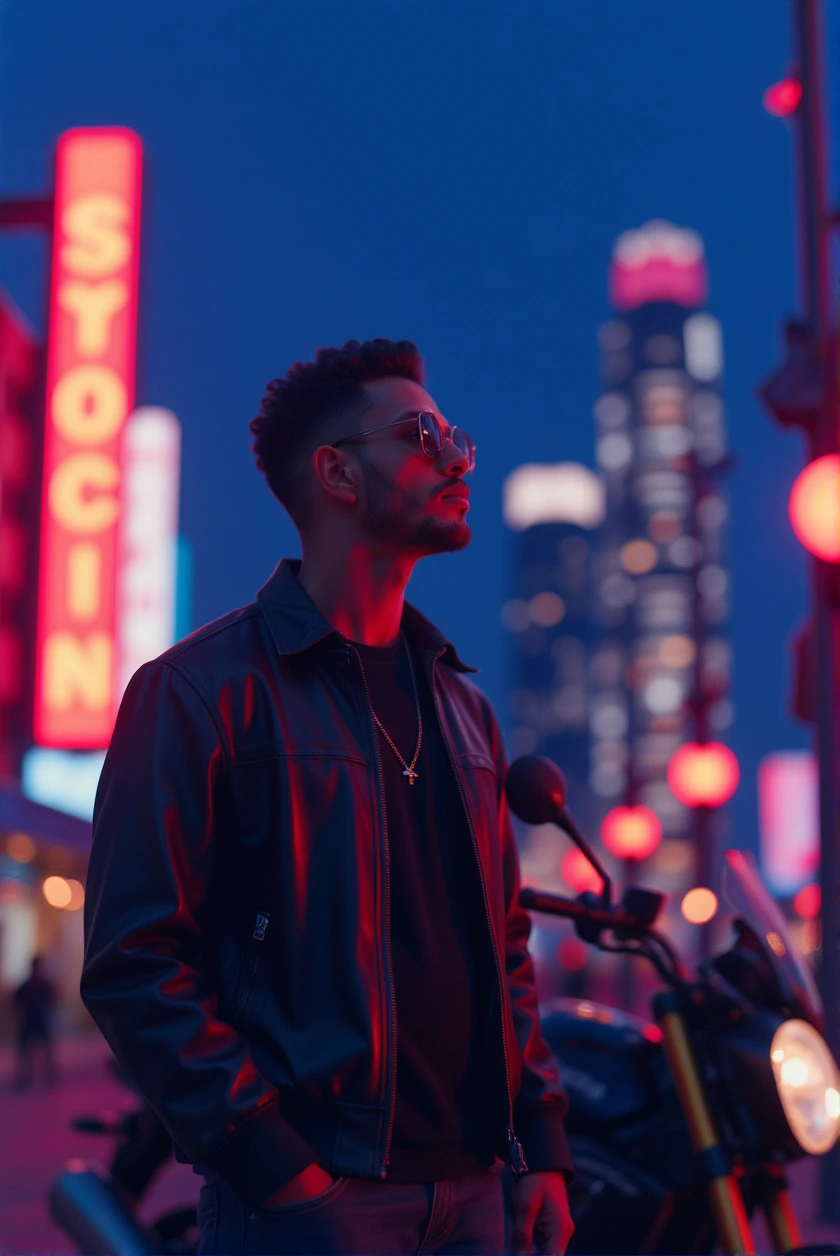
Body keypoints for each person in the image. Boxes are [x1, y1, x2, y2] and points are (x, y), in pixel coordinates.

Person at [81, 338, 574, 1255]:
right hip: (311, 1197)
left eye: (455, 434)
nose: (459, 456)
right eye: (423, 434)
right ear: (338, 473)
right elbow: (133, 958)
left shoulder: (464, 709)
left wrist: (540, 1144)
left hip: (474, 1190)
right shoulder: (198, 691)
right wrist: (270, 1160)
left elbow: (506, 943)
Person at [13, 954, 58, 1088]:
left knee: (35, 1050)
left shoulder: (29, 985)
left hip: (35, 1019)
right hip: (35, 1020)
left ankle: (35, 1077)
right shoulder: (39, 985)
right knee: (32, 1050)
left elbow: (17, 1002)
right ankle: (29, 1077)